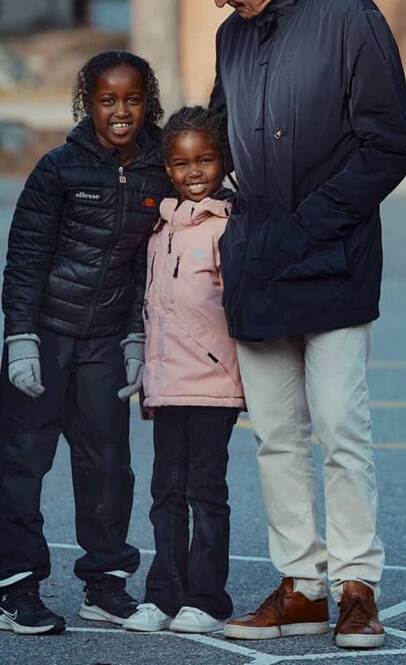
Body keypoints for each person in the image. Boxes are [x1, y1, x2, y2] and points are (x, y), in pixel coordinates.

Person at [190, 0, 406, 650]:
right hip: (257, 261)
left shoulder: (351, 18)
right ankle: (300, 585)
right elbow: (218, 140)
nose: (218, 1)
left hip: (333, 260)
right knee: (276, 437)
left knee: (342, 430)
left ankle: (357, 586)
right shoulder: (232, 37)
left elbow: (389, 145)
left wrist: (309, 226)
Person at [0, 50, 168, 635]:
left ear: (149, 102)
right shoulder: (58, 169)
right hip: (47, 334)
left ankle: (105, 585)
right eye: (108, 100)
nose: (121, 111)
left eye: (133, 99)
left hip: (107, 341)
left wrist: (137, 337)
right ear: (87, 103)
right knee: (23, 463)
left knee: (109, 467)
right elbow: (26, 259)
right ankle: (16, 592)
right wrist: (20, 338)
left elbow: (151, 264)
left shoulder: (158, 170)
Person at [120, 107, 244, 636]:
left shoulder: (228, 226)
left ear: (222, 161)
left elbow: (240, 307)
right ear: (167, 167)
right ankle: (163, 594)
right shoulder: (159, 229)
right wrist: (147, 377)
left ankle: (208, 598)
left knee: (205, 493)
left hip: (214, 385)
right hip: (166, 385)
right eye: (181, 162)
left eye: (206, 159)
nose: (195, 172)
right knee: (165, 493)